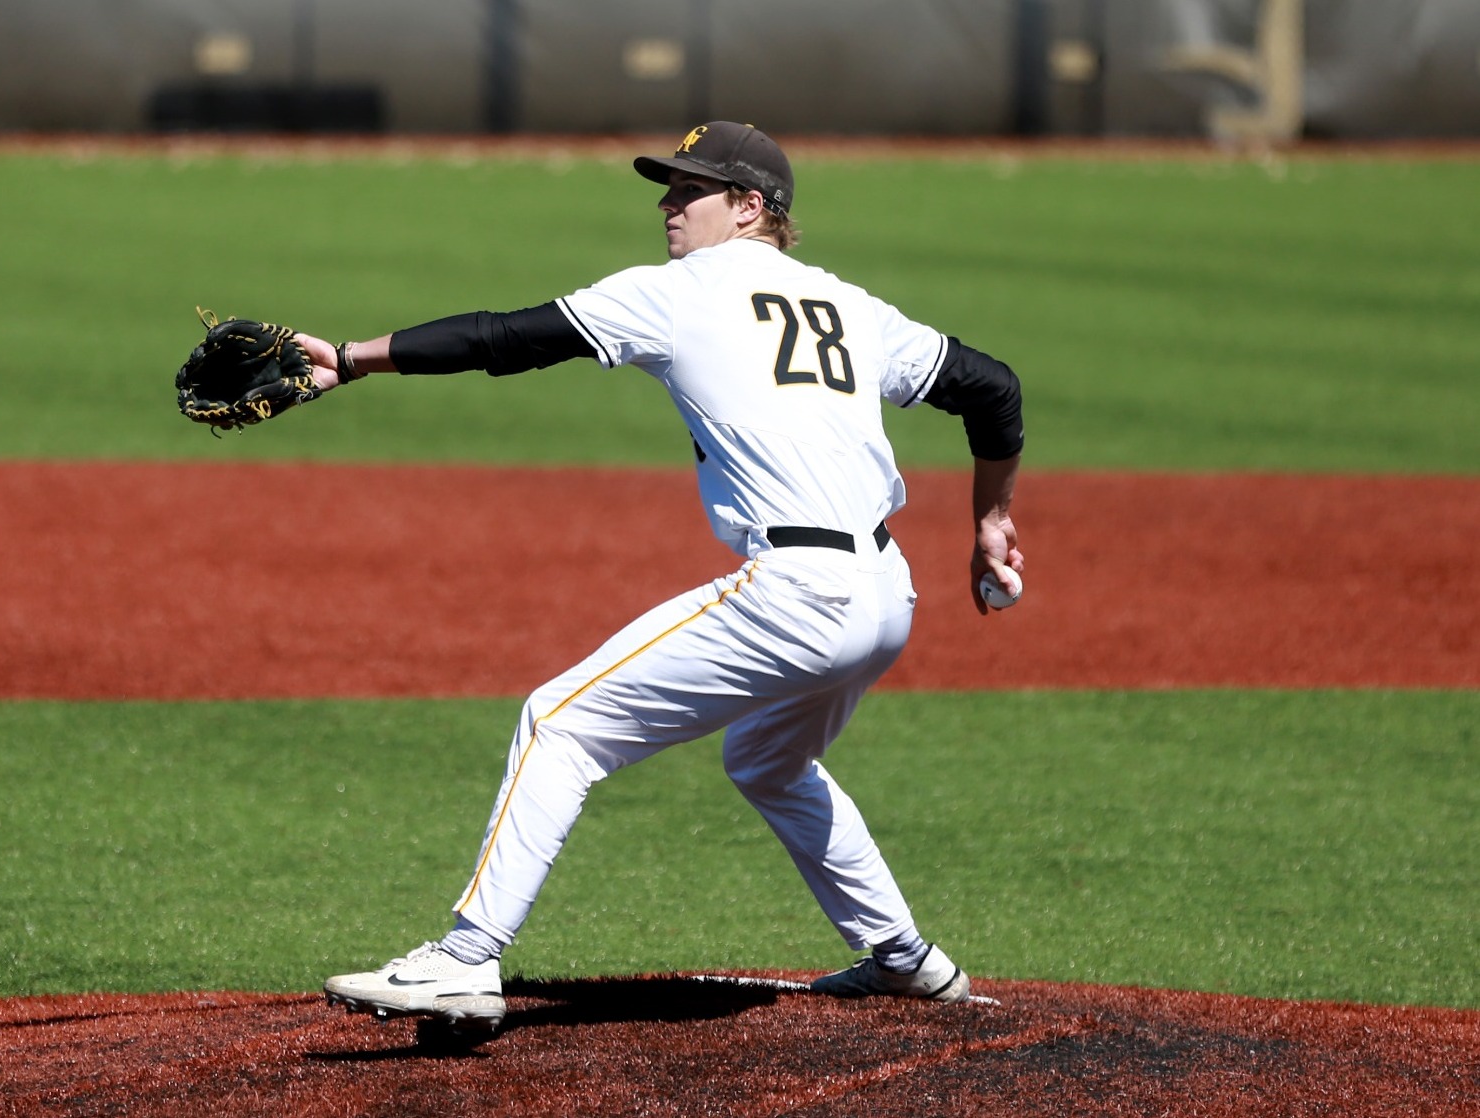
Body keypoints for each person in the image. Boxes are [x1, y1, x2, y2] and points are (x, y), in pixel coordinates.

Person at [299, 122, 1024, 1032]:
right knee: (768, 759)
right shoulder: (847, 305)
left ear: (752, 207)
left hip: (799, 592)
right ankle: (905, 960)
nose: (667, 203)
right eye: (669, 186)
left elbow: (507, 338)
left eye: (691, 189)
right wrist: (991, 521)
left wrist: (355, 358)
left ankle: (464, 959)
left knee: (559, 721)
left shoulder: (678, 293)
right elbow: (993, 386)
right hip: (887, 594)